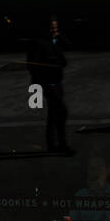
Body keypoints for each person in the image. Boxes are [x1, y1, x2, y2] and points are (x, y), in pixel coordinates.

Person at [27, 16, 72, 154]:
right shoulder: (39, 43)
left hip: (56, 81)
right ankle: (59, 145)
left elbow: (68, 46)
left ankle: (54, 145)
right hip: (48, 82)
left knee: (55, 114)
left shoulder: (55, 40)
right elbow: (32, 65)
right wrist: (46, 75)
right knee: (60, 112)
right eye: (52, 27)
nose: (54, 30)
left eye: (56, 28)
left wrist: (59, 37)